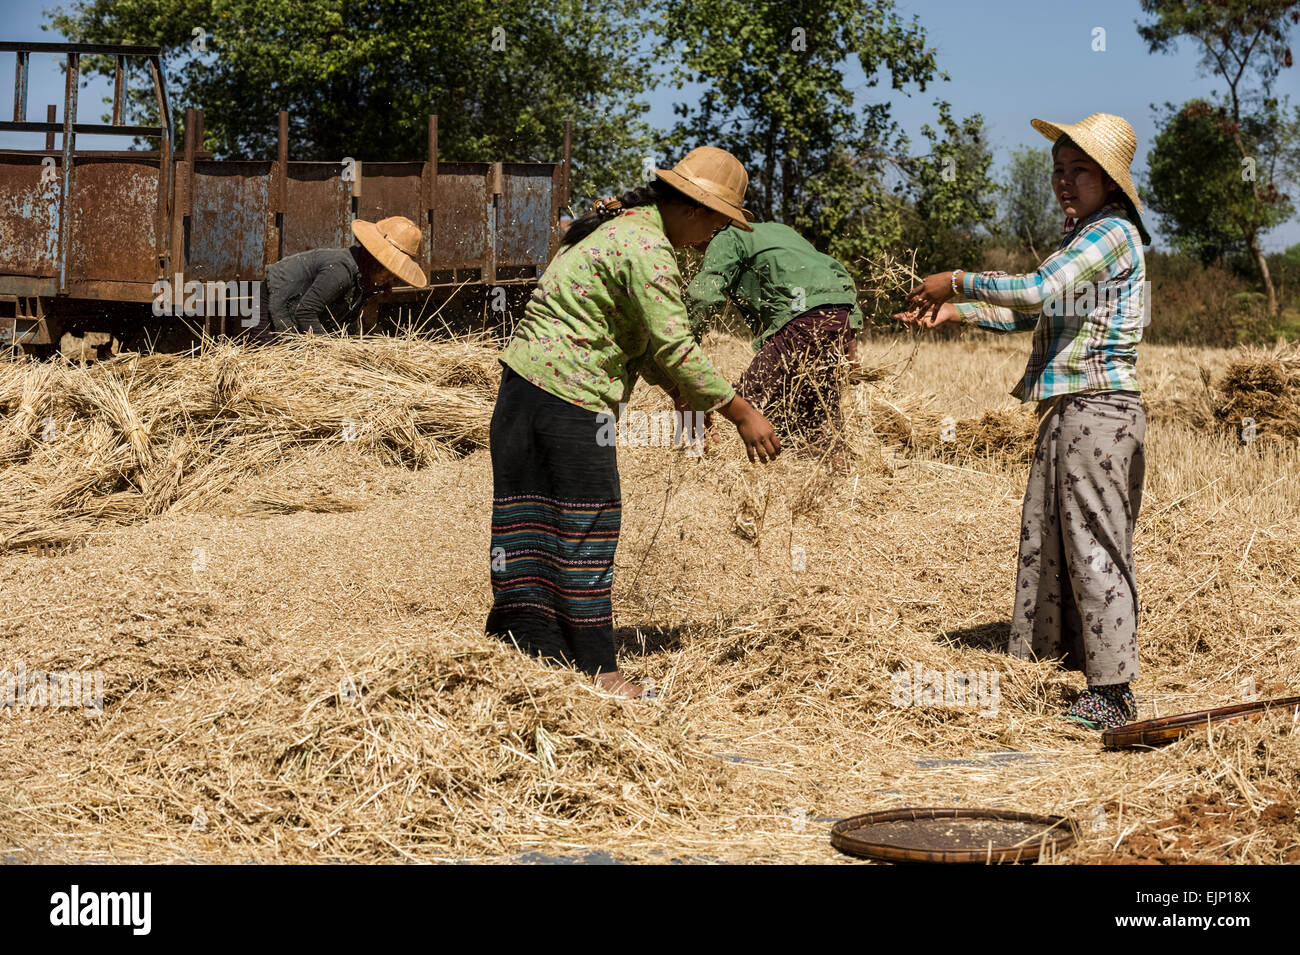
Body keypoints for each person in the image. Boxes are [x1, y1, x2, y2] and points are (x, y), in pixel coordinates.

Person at [486, 147, 782, 699]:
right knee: (587, 526)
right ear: (695, 209)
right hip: (570, 399)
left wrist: (682, 396)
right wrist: (742, 413)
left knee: (528, 524)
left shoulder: (614, 231)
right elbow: (674, 345)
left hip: (522, 392)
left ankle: (526, 652)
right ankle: (601, 671)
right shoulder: (648, 248)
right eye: (717, 224)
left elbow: (642, 344)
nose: (712, 237)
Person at [895, 113, 1150, 730]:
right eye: (1058, 171)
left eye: (1079, 171)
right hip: (1070, 407)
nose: (1064, 182)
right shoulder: (1082, 237)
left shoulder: (1111, 233)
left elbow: (1037, 291)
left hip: (1099, 409)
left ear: (1111, 182)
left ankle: (1113, 693)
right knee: (1050, 538)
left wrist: (956, 278)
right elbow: (1039, 315)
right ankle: (1059, 664)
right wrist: (961, 312)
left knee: (1094, 544)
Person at [684, 220, 863, 452]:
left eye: (693, 244)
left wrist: (685, 346)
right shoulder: (778, 229)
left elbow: (704, 295)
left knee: (748, 402)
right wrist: (851, 335)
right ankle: (837, 474)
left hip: (800, 317)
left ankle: (722, 462)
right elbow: (836, 269)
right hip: (838, 315)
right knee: (819, 410)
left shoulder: (724, 237)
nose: (692, 248)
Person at [253, 216, 427, 334]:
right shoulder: (341, 270)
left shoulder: (362, 276)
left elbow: (348, 320)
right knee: (277, 359)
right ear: (376, 262)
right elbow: (305, 312)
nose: (390, 281)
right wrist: (328, 352)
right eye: (389, 274)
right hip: (268, 300)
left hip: (297, 305)